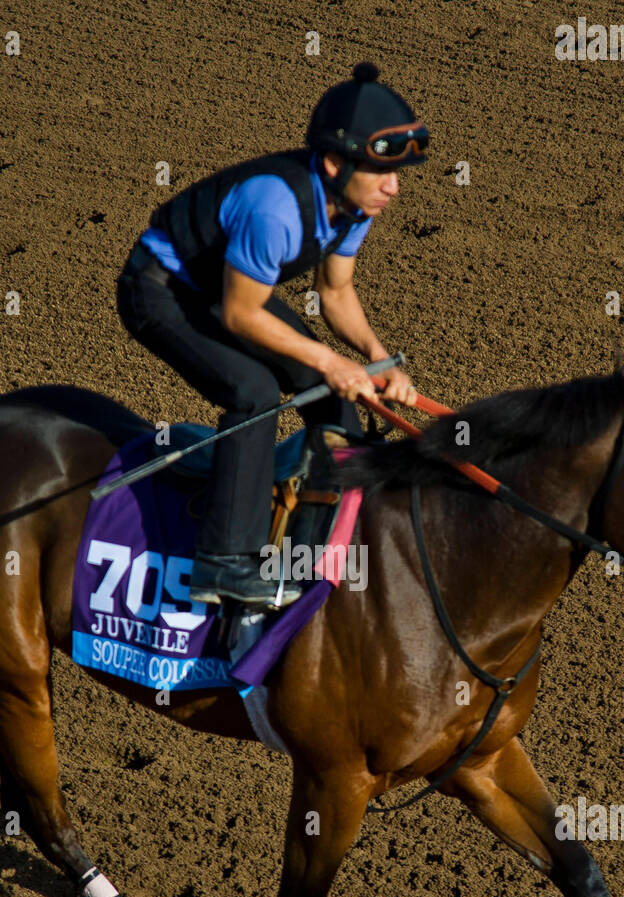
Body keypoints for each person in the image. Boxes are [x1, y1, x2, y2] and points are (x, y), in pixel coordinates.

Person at [115, 61, 427, 606]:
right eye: (382, 172)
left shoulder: (356, 205)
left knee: (327, 379)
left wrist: (378, 360)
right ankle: (223, 563)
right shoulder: (275, 206)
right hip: (160, 290)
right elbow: (241, 316)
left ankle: (331, 532)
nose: (394, 187)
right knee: (252, 391)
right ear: (334, 164)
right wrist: (333, 362)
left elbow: (336, 293)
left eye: (398, 172)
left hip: (224, 288)